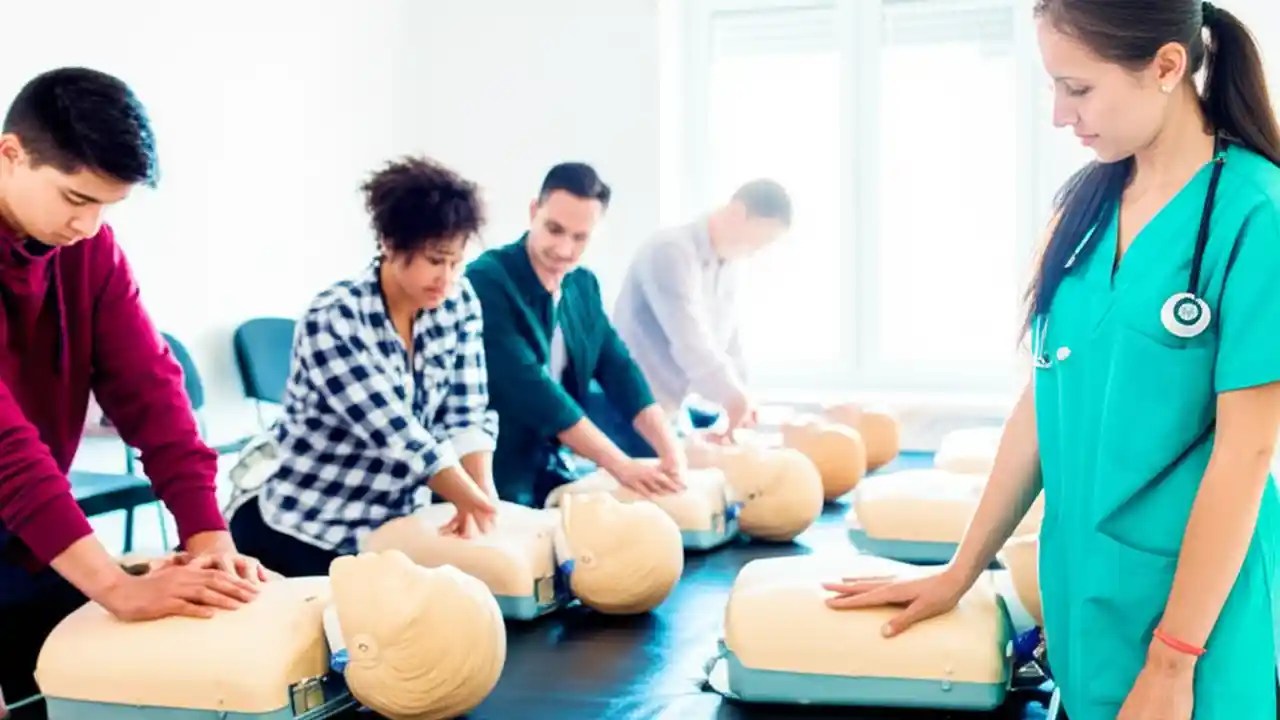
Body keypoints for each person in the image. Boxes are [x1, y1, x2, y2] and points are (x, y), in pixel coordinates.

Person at [822, 3, 1280, 719]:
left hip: (1194, 626)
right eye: (1054, 88)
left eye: (1079, 88)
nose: (1061, 115)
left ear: (1166, 66)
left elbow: (1245, 455)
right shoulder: (1088, 206)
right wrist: (959, 571)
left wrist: (1172, 662)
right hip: (1083, 593)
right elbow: (1043, 402)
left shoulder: (1257, 213)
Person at [0, 68, 263, 707]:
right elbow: (5, 449)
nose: (88, 224)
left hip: (27, 533)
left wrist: (208, 537)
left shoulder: (90, 251)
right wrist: (116, 587)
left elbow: (153, 393)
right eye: (75, 198)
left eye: (106, 207)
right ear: (11, 154)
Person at [226, 156, 500, 578]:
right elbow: (397, 435)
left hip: (392, 528)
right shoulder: (334, 320)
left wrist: (483, 496)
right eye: (435, 260)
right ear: (390, 244)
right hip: (307, 528)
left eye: (456, 262)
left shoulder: (458, 302)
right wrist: (469, 498)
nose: (446, 277)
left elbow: (467, 412)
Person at [465, 162, 686, 507]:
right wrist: (620, 465)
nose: (564, 249)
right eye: (554, 230)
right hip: (494, 474)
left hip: (551, 466)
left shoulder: (582, 285)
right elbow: (532, 388)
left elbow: (618, 368)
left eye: (580, 237)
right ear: (534, 211)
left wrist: (670, 448)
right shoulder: (487, 280)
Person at [611, 179, 791, 442]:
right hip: (626, 408)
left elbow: (729, 344)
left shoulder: (729, 266)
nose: (756, 252)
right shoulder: (670, 251)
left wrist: (742, 396)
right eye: (759, 241)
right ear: (737, 214)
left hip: (665, 411)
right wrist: (733, 396)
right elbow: (690, 343)